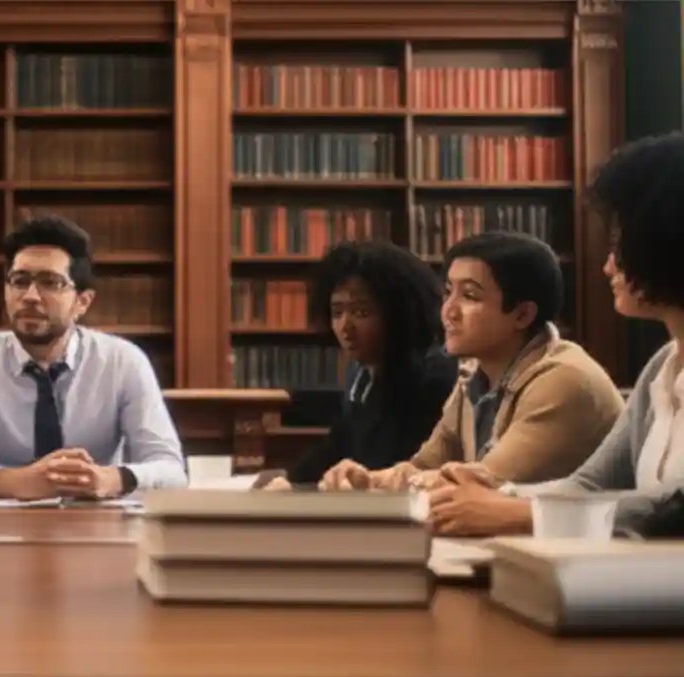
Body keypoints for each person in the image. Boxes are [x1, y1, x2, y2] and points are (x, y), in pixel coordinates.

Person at [426, 133, 684, 537]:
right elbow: (590, 484)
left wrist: (518, 513)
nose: (608, 266)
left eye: (619, 244)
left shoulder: (566, 376)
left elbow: (675, 508)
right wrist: (497, 493)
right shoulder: (661, 368)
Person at [321, 231, 624, 494]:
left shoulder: (564, 380)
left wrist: (389, 484)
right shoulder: (473, 374)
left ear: (522, 315)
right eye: (448, 292)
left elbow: (482, 485)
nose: (449, 311)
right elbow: (424, 465)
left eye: (469, 295)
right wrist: (365, 480)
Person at [0, 215, 187, 499]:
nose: (30, 296)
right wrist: (21, 482)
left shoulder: (123, 361)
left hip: (94, 526)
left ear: (82, 301)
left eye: (50, 283)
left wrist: (112, 479)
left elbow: (172, 471)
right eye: (19, 281)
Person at [276, 241, 457, 487]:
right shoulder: (363, 373)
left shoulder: (432, 377)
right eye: (337, 312)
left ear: (398, 313)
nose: (345, 327)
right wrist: (287, 481)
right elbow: (338, 445)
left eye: (361, 313)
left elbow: (388, 465)